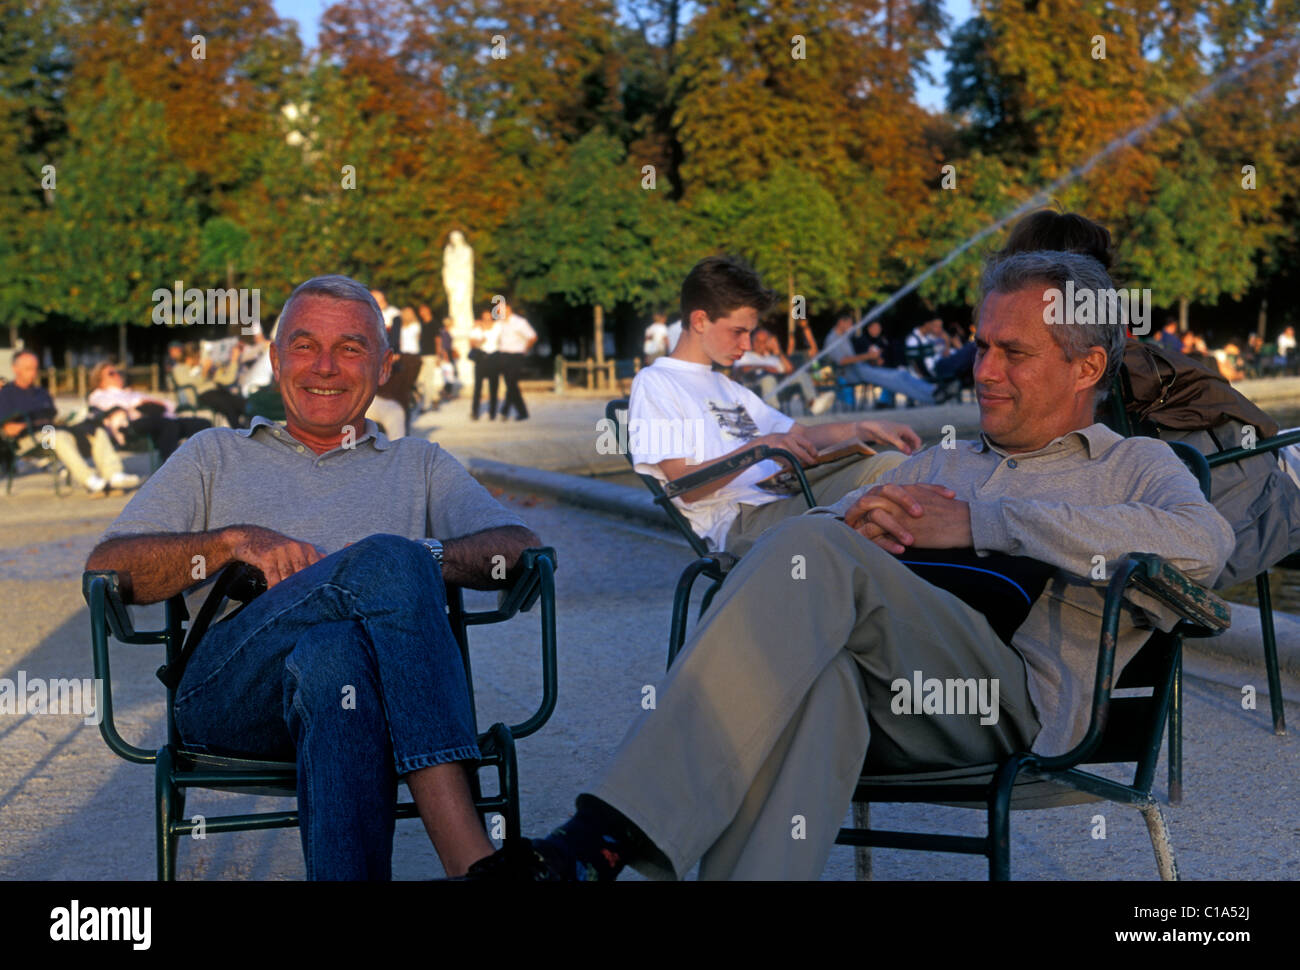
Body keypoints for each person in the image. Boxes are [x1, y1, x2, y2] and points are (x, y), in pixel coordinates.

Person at [466, 250, 1234, 881]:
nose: (983, 369)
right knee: (821, 676)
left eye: (1014, 352)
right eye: (981, 343)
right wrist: (857, 521)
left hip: (1011, 706)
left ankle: (599, 837)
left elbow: (1204, 544)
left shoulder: (1135, 465)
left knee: (816, 547)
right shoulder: (944, 460)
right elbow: (806, 549)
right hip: (885, 698)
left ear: (1086, 365)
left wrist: (983, 521)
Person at [84, 274, 541, 880]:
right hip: (232, 696)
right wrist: (231, 542)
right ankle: (473, 860)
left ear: (384, 367)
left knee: (336, 654)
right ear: (275, 360)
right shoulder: (213, 454)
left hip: (364, 701)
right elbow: (107, 568)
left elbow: (519, 549)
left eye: (351, 348)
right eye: (304, 345)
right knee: (386, 560)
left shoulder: (419, 463)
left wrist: (420, 558)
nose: (325, 366)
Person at [626, 255, 921, 557]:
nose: (748, 345)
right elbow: (684, 484)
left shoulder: (727, 386)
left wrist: (864, 427)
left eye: (750, 333)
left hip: (785, 497)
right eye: (738, 332)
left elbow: (800, 433)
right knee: (885, 498)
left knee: (891, 466)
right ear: (700, 320)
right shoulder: (655, 383)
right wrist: (760, 448)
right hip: (743, 521)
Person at [0, 350, 139, 494]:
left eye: (35, 368)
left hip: (52, 431)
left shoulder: (41, 392)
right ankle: (90, 480)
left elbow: (53, 417)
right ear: (15, 369)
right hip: (28, 440)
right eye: (28, 369)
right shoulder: (6, 394)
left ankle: (114, 474)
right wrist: (31, 424)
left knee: (95, 430)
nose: (33, 373)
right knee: (58, 436)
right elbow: (9, 429)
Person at [88, 361, 210, 462]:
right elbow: (111, 406)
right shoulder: (98, 394)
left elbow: (168, 405)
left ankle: (205, 464)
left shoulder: (129, 392)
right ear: (99, 381)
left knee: (202, 424)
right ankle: (171, 468)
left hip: (159, 418)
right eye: (111, 373)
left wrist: (145, 402)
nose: (117, 375)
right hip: (131, 424)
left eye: (117, 372)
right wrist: (139, 402)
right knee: (168, 425)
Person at [826, 314, 946, 407]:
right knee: (897, 377)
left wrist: (871, 359)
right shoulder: (832, 339)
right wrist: (868, 356)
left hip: (859, 368)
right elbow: (841, 361)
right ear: (841, 322)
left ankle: (933, 391)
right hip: (849, 372)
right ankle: (933, 395)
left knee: (901, 374)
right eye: (850, 323)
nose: (851, 327)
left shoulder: (843, 337)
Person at [168, 341, 248, 428]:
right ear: (189, 357)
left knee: (241, 402)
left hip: (218, 392)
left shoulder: (204, 366)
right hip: (202, 395)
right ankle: (239, 431)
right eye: (198, 356)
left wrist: (234, 360)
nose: (199, 359)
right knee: (226, 405)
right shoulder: (179, 368)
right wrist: (204, 372)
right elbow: (189, 382)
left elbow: (228, 380)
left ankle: (255, 427)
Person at [495, 300, 537, 421]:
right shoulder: (499, 323)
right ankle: (509, 411)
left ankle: (512, 411)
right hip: (503, 355)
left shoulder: (519, 322)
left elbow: (532, 336)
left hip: (516, 355)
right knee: (510, 384)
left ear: (508, 309)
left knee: (512, 382)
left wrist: (525, 349)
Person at [468, 308, 501, 420]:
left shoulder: (497, 327)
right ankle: (475, 411)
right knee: (478, 387)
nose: (487, 320)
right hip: (481, 358)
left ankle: (492, 412)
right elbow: (471, 344)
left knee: (494, 387)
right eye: (484, 318)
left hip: (494, 358)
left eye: (489, 318)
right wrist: (480, 340)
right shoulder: (477, 329)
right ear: (481, 319)